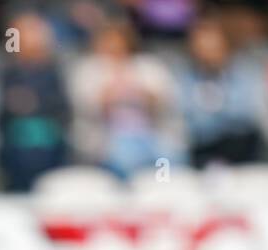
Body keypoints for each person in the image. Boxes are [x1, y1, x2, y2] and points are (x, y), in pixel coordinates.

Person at [71, 18, 184, 179]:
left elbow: (165, 101)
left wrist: (134, 93)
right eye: (108, 40)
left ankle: (162, 193)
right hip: (110, 140)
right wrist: (119, 93)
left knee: (169, 158)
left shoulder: (148, 66)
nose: (113, 45)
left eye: (118, 40)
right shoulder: (89, 69)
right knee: (125, 159)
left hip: (151, 135)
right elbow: (88, 105)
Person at [0, 12, 72, 191]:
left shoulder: (53, 71)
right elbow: (1, 110)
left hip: (50, 140)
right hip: (14, 142)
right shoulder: (7, 71)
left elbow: (63, 108)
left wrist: (35, 105)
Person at [177, 17, 265, 167]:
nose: (208, 55)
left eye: (213, 48)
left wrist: (214, 115)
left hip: (242, 145)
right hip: (203, 147)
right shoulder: (184, 81)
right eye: (202, 49)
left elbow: (245, 114)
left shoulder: (244, 75)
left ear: (225, 47)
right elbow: (192, 121)